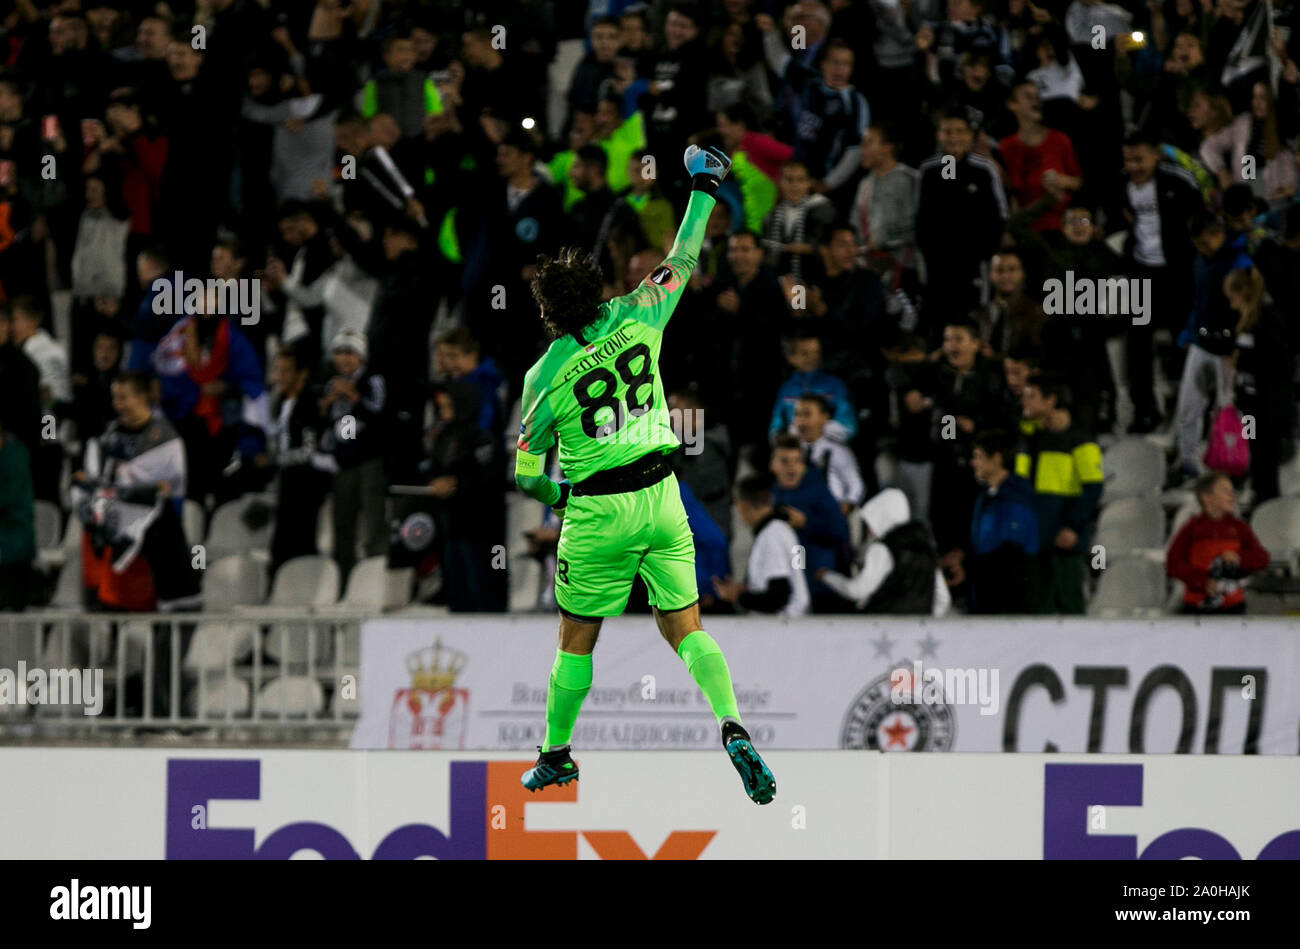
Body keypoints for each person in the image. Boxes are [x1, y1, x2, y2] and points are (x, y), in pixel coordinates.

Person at [513, 144, 775, 804]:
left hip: (597, 510)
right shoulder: (635, 313)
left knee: (577, 639)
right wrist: (704, 185)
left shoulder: (541, 379)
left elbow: (524, 473)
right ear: (595, 292)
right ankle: (732, 723)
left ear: (548, 314)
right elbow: (682, 257)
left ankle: (556, 755)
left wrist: (558, 493)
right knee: (686, 625)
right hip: (662, 493)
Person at [1016, 371, 1103, 614]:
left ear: (1050, 401)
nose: (1024, 402)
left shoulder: (1081, 440)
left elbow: (1093, 489)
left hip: (1064, 541)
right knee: (1035, 611)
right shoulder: (1030, 437)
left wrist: (1073, 527)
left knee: (1069, 609)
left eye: (1031, 396)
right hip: (1034, 539)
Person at [318, 329, 388, 584]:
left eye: (350, 353)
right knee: (342, 527)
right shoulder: (330, 384)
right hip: (343, 463)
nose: (345, 359)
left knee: (373, 524)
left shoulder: (373, 380)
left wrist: (352, 395)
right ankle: (344, 581)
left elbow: (379, 415)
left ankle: (375, 580)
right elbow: (328, 424)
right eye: (339, 353)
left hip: (369, 461)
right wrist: (327, 404)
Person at [816, 488, 951, 615]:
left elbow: (857, 590)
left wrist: (827, 576)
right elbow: (943, 599)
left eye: (870, 522)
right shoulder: (925, 548)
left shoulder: (882, 549)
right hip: (917, 633)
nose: (869, 531)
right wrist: (923, 623)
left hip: (885, 630)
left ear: (882, 517)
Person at [1166, 472, 1269, 614]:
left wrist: (1239, 558)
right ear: (1207, 497)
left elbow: (1262, 558)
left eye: (1233, 492)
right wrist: (1202, 581)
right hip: (1196, 606)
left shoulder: (1239, 527)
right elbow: (1173, 563)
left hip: (1233, 606)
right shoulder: (1192, 527)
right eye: (1226, 491)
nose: (1232, 496)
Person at [769, 432, 850, 611]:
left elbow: (840, 530)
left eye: (797, 461)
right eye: (784, 461)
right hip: (787, 587)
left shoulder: (818, 491)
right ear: (772, 466)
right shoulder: (771, 495)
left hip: (819, 589)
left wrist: (806, 522)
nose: (791, 467)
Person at [712, 474, 810, 616]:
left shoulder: (772, 535)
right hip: (792, 624)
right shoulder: (781, 530)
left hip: (784, 628)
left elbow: (778, 597)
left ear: (742, 504)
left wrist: (739, 597)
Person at [968, 429, 1039, 613]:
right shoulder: (985, 496)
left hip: (1008, 593)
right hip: (986, 586)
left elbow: (1014, 550)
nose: (973, 463)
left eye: (979, 457)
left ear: (996, 458)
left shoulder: (1017, 494)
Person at [0, 418, 35, 611]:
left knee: (11, 614)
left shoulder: (14, 455)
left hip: (13, 548)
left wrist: (49, 435)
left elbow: (7, 496)